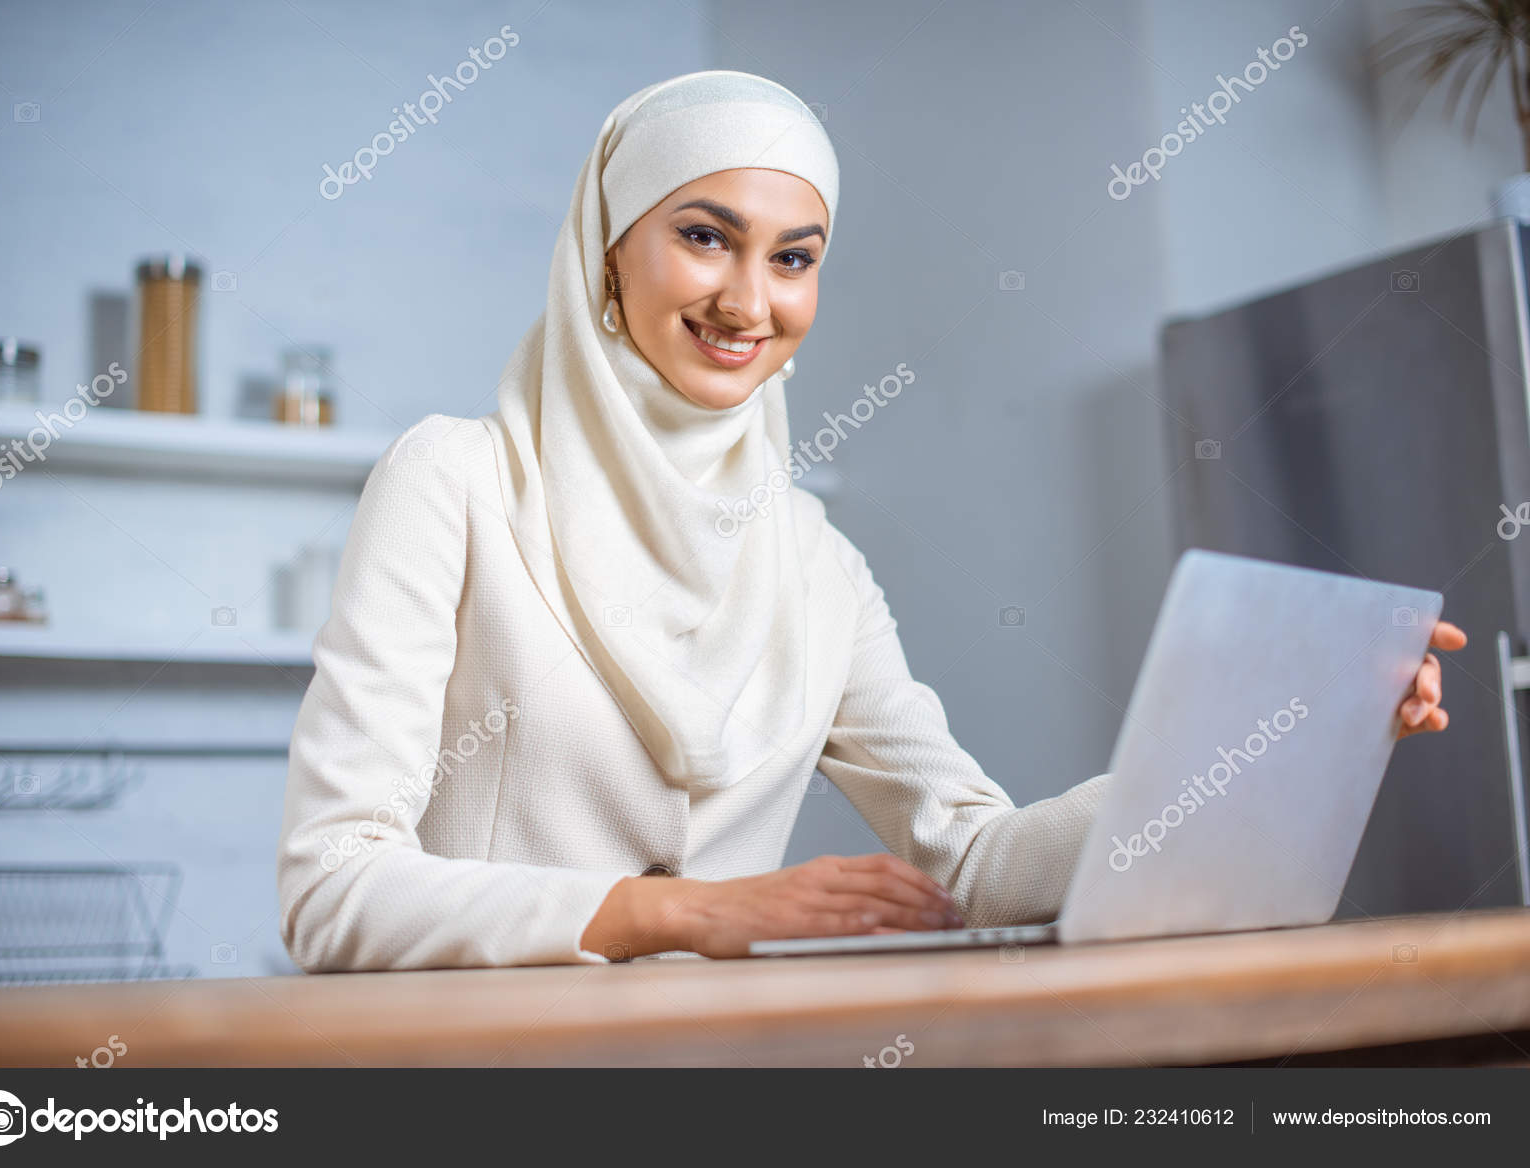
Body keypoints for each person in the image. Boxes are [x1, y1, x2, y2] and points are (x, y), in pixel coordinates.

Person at [274, 70, 1462, 971]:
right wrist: (679, 911)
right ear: (605, 248)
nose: (749, 300)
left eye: (793, 257)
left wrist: (1272, 744)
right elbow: (332, 887)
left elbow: (979, 860)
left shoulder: (814, 564)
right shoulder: (456, 482)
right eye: (704, 236)